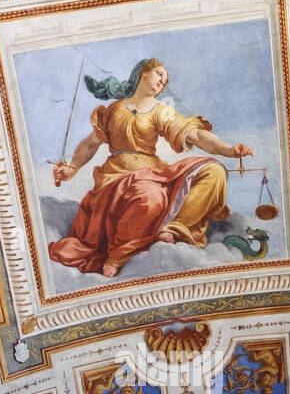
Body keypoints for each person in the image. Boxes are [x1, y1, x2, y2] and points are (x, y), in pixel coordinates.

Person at [49, 58, 252, 277]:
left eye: (165, 81)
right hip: (117, 175)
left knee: (214, 171)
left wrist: (228, 150)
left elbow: (194, 134)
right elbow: (90, 144)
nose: (162, 82)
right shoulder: (114, 110)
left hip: (152, 173)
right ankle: (118, 255)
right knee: (150, 198)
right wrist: (72, 168)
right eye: (159, 74)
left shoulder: (161, 111)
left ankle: (173, 228)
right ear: (143, 73)